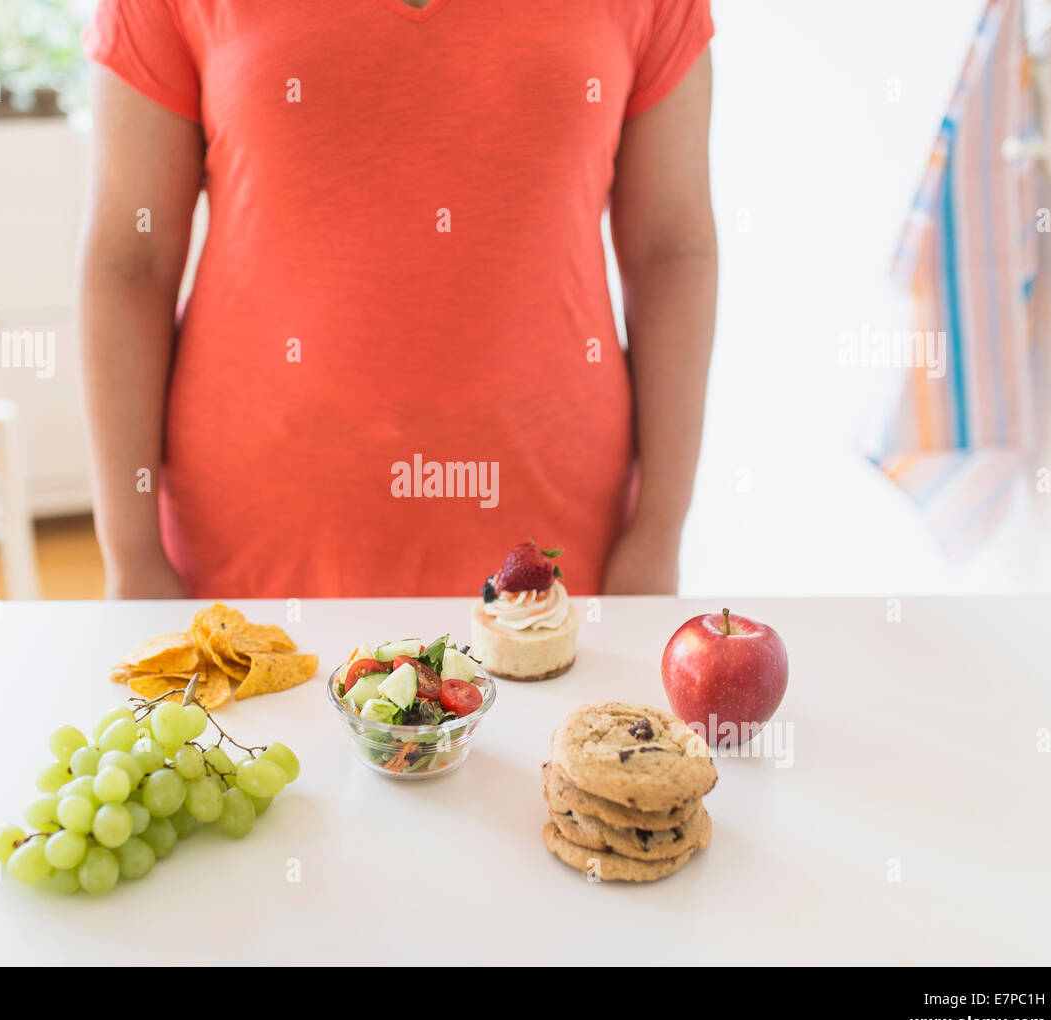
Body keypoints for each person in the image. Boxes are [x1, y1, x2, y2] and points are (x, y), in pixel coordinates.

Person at [79, 0, 717, 599]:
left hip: (559, 545)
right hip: (252, 552)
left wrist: (660, 531)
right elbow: (130, 262)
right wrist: (132, 558)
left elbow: (671, 251)